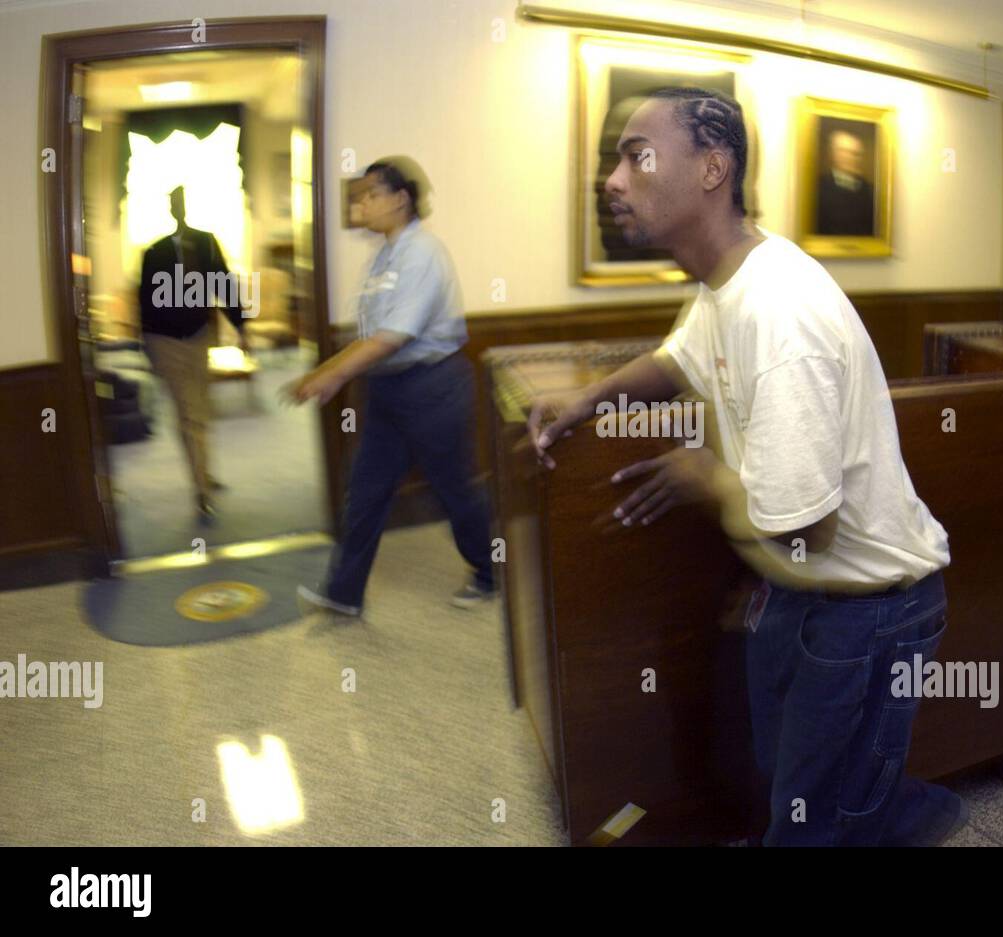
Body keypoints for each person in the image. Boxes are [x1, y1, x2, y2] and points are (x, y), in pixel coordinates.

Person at [529, 87, 964, 846]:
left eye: (638, 156)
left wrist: (704, 477)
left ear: (711, 169)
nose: (614, 180)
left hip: (868, 608)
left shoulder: (778, 311)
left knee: (817, 817)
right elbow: (675, 359)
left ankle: (907, 810)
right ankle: (889, 798)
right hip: (801, 589)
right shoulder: (728, 281)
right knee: (786, 775)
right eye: (615, 161)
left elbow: (809, 532)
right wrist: (589, 400)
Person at [290, 158, 496, 614]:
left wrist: (331, 373)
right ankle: (343, 593)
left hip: (432, 388)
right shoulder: (386, 254)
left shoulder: (422, 252)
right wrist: (338, 368)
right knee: (364, 490)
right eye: (358, 196)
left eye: (370, 195)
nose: (361, 204)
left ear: (400, 199)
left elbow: (393, 336)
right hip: (388, 391)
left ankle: (490, 570)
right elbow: (371, 333)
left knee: (456, 490)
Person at [138, 186, 250, 524]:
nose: (180, 209)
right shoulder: (154, 252)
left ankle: (205, 470)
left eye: (183, 203)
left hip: (199, 337)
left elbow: (223, 283)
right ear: (169, 209)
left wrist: (242, 328)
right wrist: (147, 348)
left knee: (201, 409)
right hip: (166, 341)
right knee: (188, 413)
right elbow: (143, 301)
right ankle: (201, 491)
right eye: (175, 204)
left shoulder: (205, 242)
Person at [815, 128, 875, 236]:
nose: (850, 157)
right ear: (833, 154)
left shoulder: (870, 191)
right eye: (844, 152)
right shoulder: (818, 188)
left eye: (856, 154)